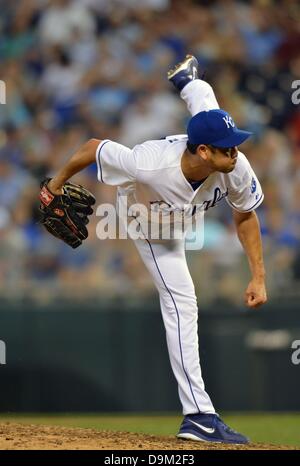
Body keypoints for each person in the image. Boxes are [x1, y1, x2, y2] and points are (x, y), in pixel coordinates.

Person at [46, 55, 267, 444]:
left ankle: (187, 80)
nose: (235, 154)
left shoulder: (232, 163)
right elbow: (94, 146)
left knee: (205, 104)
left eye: (235, 147)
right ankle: (199, 416)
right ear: (202, 152)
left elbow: (245, 216)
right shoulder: (147, 164)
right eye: (226, 149)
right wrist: (55, 185)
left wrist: (258, 276)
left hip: (183, 207)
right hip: (147, 220)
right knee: (182, 303)